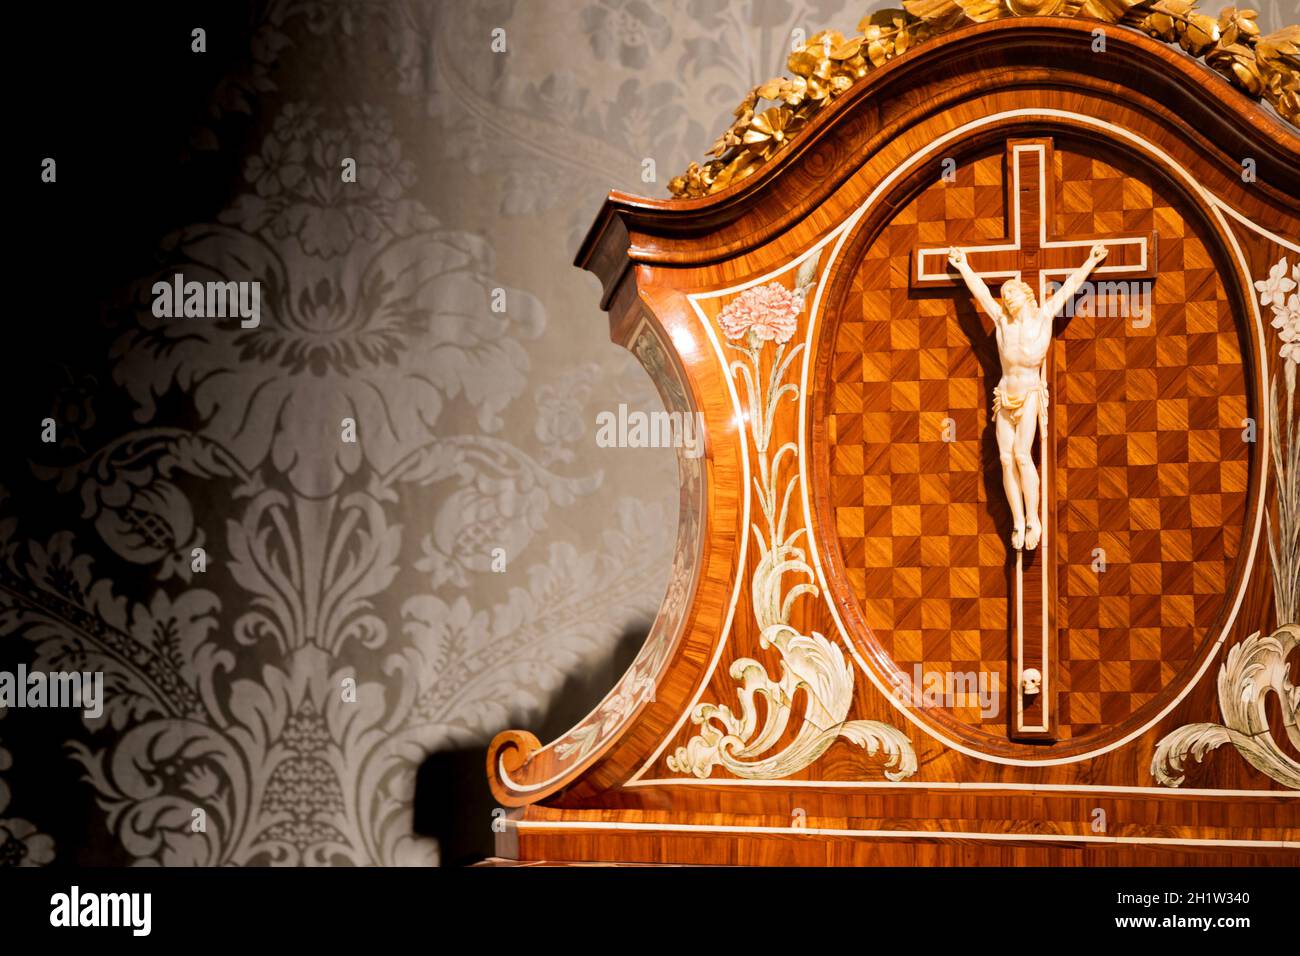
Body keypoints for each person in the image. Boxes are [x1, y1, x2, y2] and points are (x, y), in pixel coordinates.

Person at [946, 243, 1108, 550]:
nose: (1006, 297)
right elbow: (980, 293)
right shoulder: (1001, 322)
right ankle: (1018, 522)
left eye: (1013, 292)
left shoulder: (1044, 315)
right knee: (1005, 461)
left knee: (1023, 455)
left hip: (1031, 393)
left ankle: (1033, 517)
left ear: (1027, 296)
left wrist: (1090, 261)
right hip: (1005, 394)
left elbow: (1070, 287)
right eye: (1005, 294)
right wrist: (963, 265)